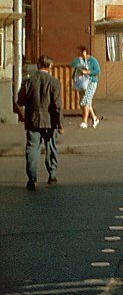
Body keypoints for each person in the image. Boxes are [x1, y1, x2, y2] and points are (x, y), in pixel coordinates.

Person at [17, 54, 64, 190]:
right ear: (49, 66)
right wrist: (60, 124)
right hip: (50, 121)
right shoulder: (54, 82)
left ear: (38, 66)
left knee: (32, 148)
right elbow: (57, 105)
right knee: (51, 147)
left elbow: (20, 101)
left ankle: (31, 178)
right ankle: (52, 175)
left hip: (33, 121)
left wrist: (24, 116)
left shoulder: (28, 81)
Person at [71, 45, 101, 128]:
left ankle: (84, 121)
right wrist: (78, 61)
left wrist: (87, 72)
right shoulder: (79, 60)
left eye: (80, 52)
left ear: (85, 52)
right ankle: (94, 118)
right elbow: (72, 65)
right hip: (82, 82)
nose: (79, 53)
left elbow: (97, 71)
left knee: (86, 99)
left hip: (91, 82)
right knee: (84, 101)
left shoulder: (92, 60)